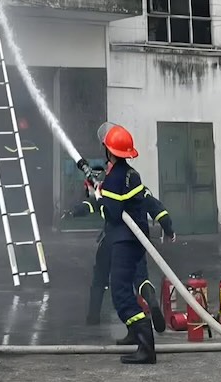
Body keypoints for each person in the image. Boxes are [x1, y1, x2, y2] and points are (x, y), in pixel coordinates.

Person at [78, 122, 155, 365]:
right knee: (128, 288)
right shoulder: (132, 174)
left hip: (122, 241)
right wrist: (102, 192)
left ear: (110, 152)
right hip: (136, 241)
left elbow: (111, 215)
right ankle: (134, 335)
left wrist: (97, 197)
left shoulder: (114, 179)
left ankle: (146, 348)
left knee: (121, 295)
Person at [67, 180, 175, 334]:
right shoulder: (142, 191)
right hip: (136, 240)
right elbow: (158, 210)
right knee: (141, 278)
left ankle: (93, 318)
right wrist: (169, 229)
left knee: (100, 279)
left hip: (112, 240)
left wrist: (74, 211)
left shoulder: (111, 190)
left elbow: (92, 204)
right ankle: (152, 302)